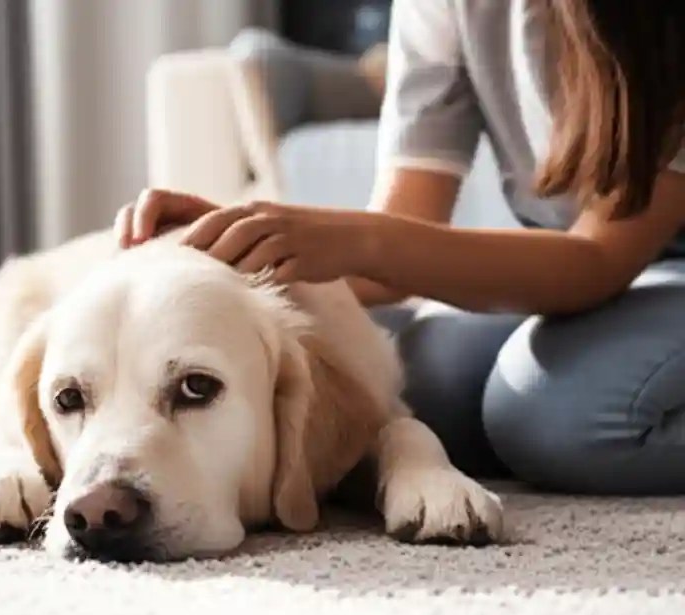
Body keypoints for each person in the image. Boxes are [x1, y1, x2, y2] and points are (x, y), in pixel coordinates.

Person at [115, 1, 685, 494]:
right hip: (605, 285)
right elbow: (390, 260)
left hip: (642, 273)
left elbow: (597, 261)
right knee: (421, 378)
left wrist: (355, 240)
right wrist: (246, 242)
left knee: (550, 413)